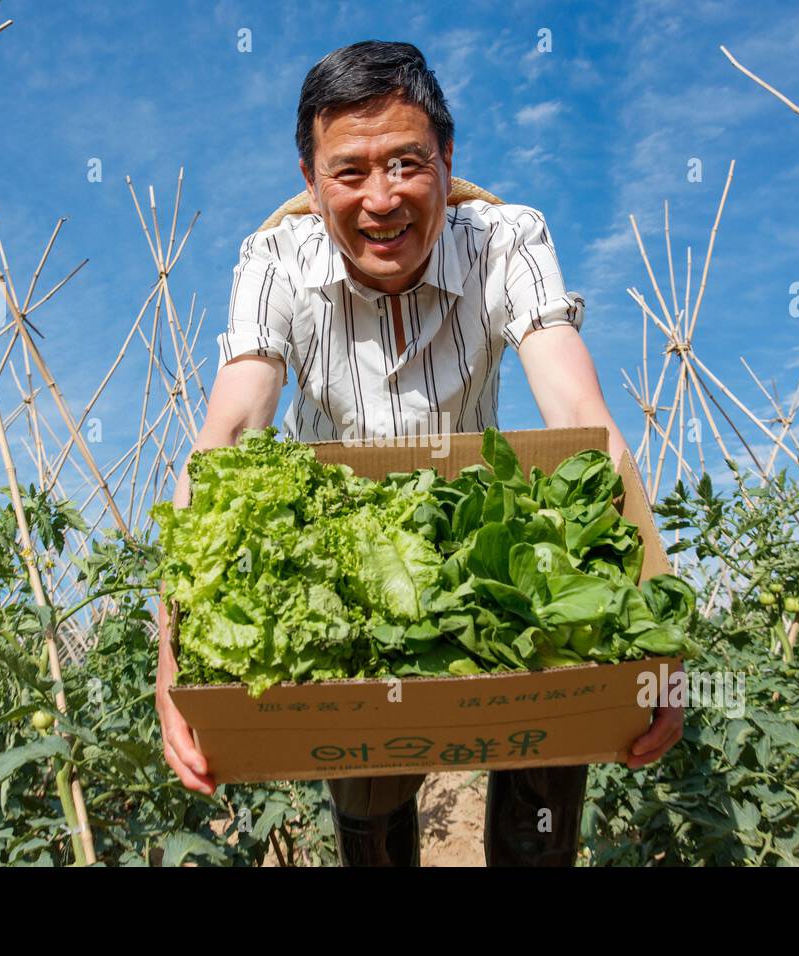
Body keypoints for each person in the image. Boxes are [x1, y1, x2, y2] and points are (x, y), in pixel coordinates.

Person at [155, 39, 684, 866]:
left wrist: (654, 630)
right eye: (350, 171)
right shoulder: (275, 262)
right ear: (310, 180)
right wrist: (173, 658)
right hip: (343, 564)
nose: (381, 199)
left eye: (407, 163)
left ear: (446, 161)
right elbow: (226, 436)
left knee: (552, 719)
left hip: (479, 538)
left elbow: (582, 419)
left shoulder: (506, 239)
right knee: (369, 792)